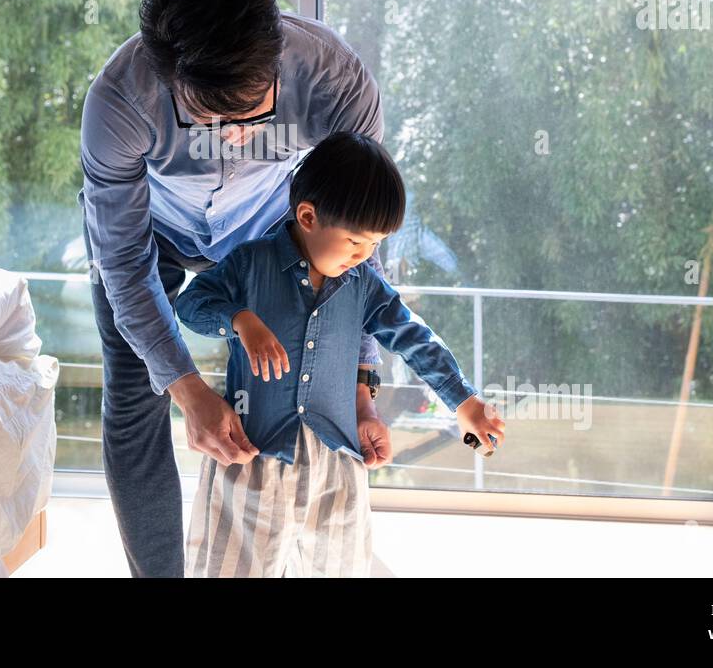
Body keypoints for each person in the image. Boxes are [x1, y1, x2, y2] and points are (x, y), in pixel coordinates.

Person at [78, 0, 396, 577]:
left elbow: (359, 242)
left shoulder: (336, 81)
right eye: (208, 120)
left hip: (272, 230)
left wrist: (361, 385)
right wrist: (184, 385)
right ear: (169, 80)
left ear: (276, 55)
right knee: (136, 392)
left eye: (250, 115)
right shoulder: (118, 101)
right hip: (153, 234)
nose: (231, 138)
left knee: (298, 392)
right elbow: (121, 261)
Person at [175, 131, 505, 577]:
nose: (366, 256)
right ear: (308, 217)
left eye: (375, 245)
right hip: (251, 459)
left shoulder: (364, 284)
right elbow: (190, 304)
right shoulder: (250, 263)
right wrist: (238, 319)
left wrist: (464, 402)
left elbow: (412, 335)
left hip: (337, 468)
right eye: (356, 242)